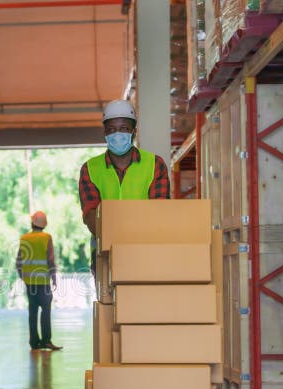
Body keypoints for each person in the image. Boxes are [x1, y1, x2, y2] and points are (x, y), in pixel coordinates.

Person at [78, 99, 170, 273]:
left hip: (146, 252)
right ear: (105, 133)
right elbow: (91, 216)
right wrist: (116, 245)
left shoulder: (155, 164)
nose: (117, 134)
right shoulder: (90, 168)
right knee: (109, 300)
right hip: (104, 254)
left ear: (134, 132)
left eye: (123, 129)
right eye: (111, 129)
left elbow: (160, 211)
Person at [17, 211, 62, 351]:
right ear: (44, 225)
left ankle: (33, 342)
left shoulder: (24, 238)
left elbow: (18, 261)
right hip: (43, 281)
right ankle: (46, 341)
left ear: (32, 223)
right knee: (46, 310)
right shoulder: (46, 237)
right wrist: (53, 277)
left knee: (32, 311)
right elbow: (50, 259)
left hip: (29, 281)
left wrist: (23, 277)